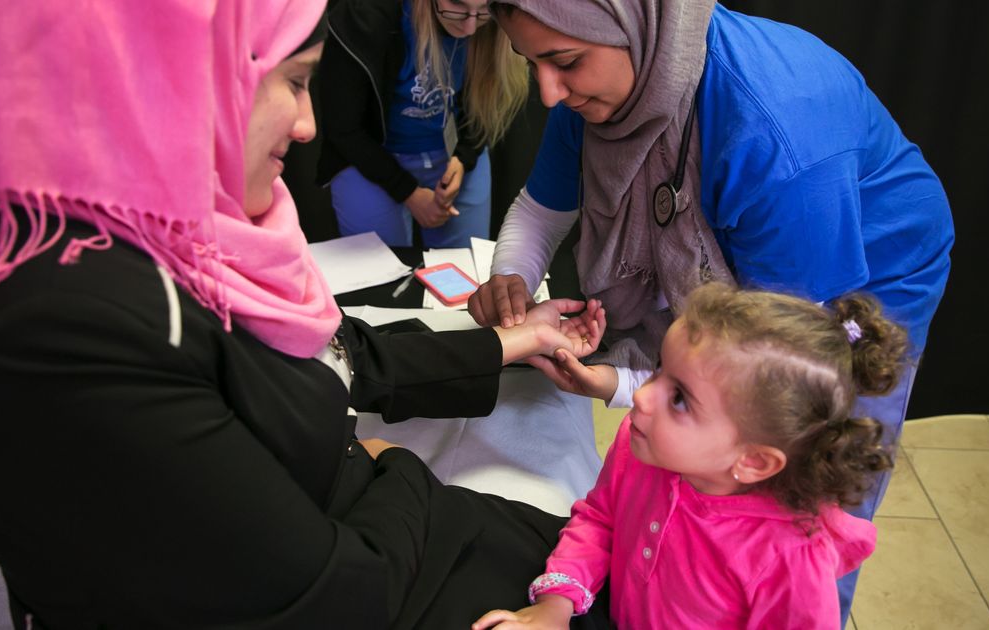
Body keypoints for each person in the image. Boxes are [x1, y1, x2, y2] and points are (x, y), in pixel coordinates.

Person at [0, 1, 614, 627]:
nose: (305, 127)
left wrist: (505, 345)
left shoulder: (162, 240)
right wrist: (397, 474)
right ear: (167, 76)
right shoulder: (63, 334)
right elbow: (330, 594)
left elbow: (342, 355)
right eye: (294, 84)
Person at [470, 0, 955, 620]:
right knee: (694, 458)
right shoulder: (602, 76)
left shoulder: (774, 128)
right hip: (773, 259)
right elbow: (543, 207)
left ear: (633, 27)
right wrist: (513, 277)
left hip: (863, 269)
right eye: (529, 61)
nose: (546, 91)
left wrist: (622, 383)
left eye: (563, 62)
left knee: (799, 500)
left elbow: (758, 373)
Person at [473, 283, 907, 629]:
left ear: (753, 460)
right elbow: (601, 519)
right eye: (659, 370)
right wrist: (555, 605)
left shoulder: (790, 562)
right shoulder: (642, 446)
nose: (642, 396)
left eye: (679, 398)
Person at [316, 0, 527, 247]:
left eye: (484, 11)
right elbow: (343, 129)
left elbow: (485, 106)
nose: (470, 27)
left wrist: (464, 158)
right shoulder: (363, 15)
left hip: (452, 155)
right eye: (457, 6)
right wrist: (409, 193)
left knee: (464, 272)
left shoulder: (498, 22)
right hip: (368, 158)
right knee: (380, 269)